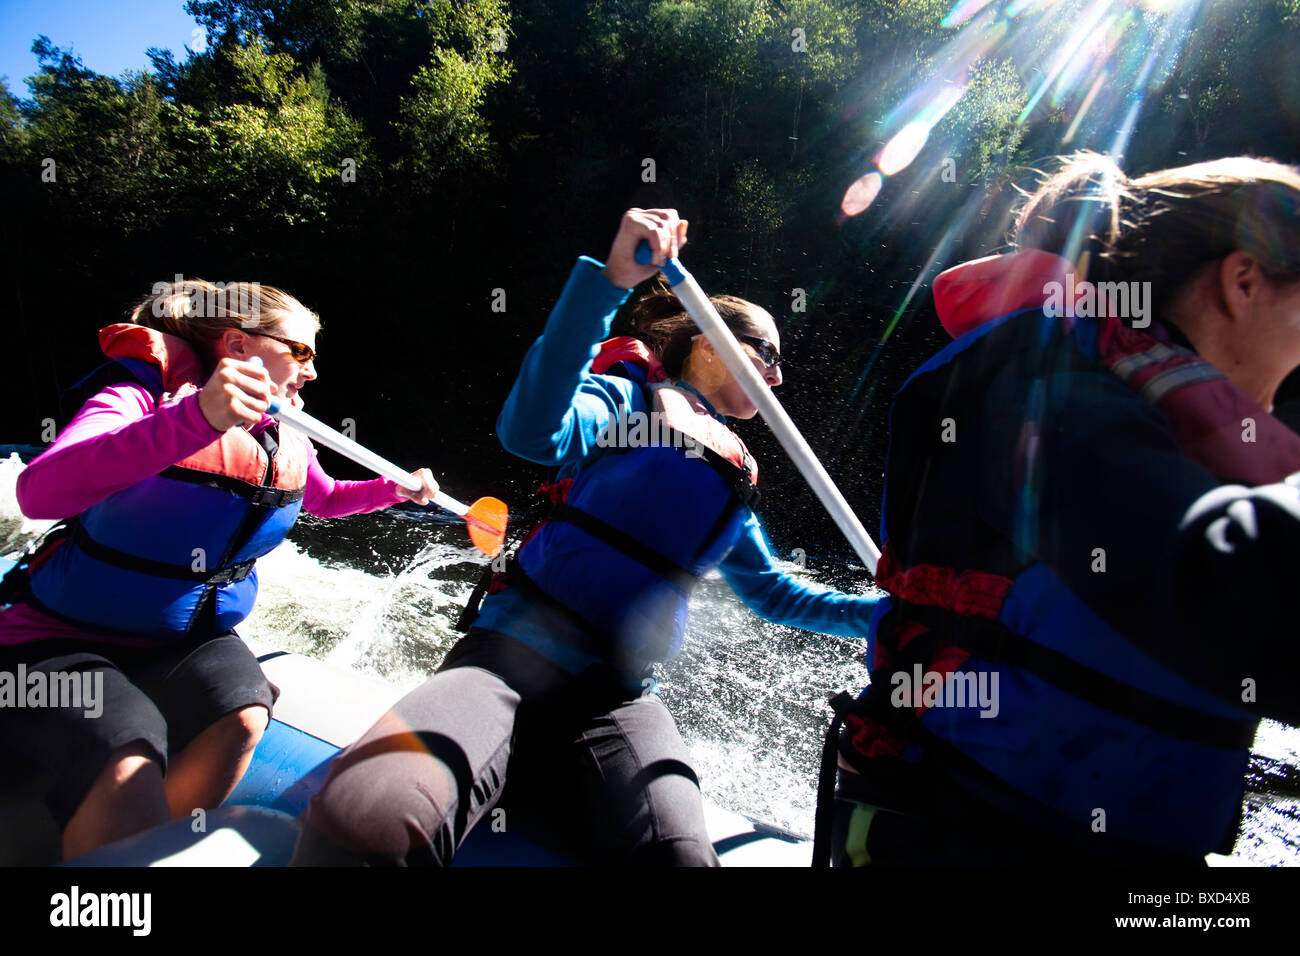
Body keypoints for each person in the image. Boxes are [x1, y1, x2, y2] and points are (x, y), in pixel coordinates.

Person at [291, 207, 881, 866]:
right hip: (509, 658)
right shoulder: (628, 398)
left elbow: (776, 594)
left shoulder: (736, 474)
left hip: (620, 697)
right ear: (710, 341)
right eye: (767, 355)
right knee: (364, 822)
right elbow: (532, 431)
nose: (777, 378)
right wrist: (609, 283)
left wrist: (899, 616)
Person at [822, 152, 1300, 866]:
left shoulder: (1142, 409)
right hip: (970, 824)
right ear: (1243, 282)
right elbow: (1223, 586)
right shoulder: (1043, 396)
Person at [0, 278, 439, 861]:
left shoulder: (282, 431)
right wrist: (197, 420)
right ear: (236, 344)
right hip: (61, 633)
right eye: (300, 352)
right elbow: (38, 492)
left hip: (183, 637)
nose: (310, 372)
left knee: (244, 709)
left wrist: (395, 491)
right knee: (127, 745)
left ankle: (140, 846)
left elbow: (325, 498)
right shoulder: (139, 398)